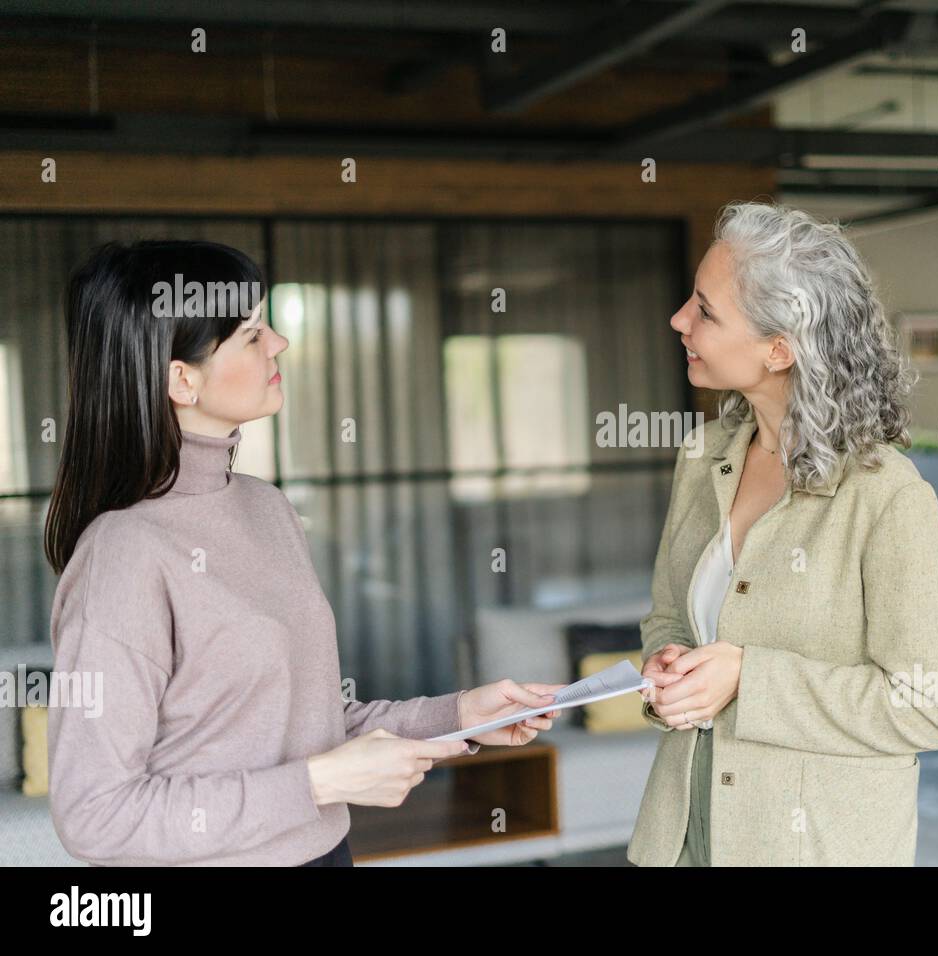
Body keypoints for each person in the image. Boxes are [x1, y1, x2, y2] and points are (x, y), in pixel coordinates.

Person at [43, 239, 563, 866]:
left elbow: (299, 724)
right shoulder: (122, 555)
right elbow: (95, 816)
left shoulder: (268, 509)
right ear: (181, 378)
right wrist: (323, 783)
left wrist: (458, 716)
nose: (280, 344)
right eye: (253, 335)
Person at [627, 201, 938, 867]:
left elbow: (931, 707)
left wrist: (746, 680)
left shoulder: (886, 498)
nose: (679, 320)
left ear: (778, 348)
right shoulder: (702, 457)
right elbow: (669, 616)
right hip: (678, 837)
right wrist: (669, 667)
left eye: (706, 310)